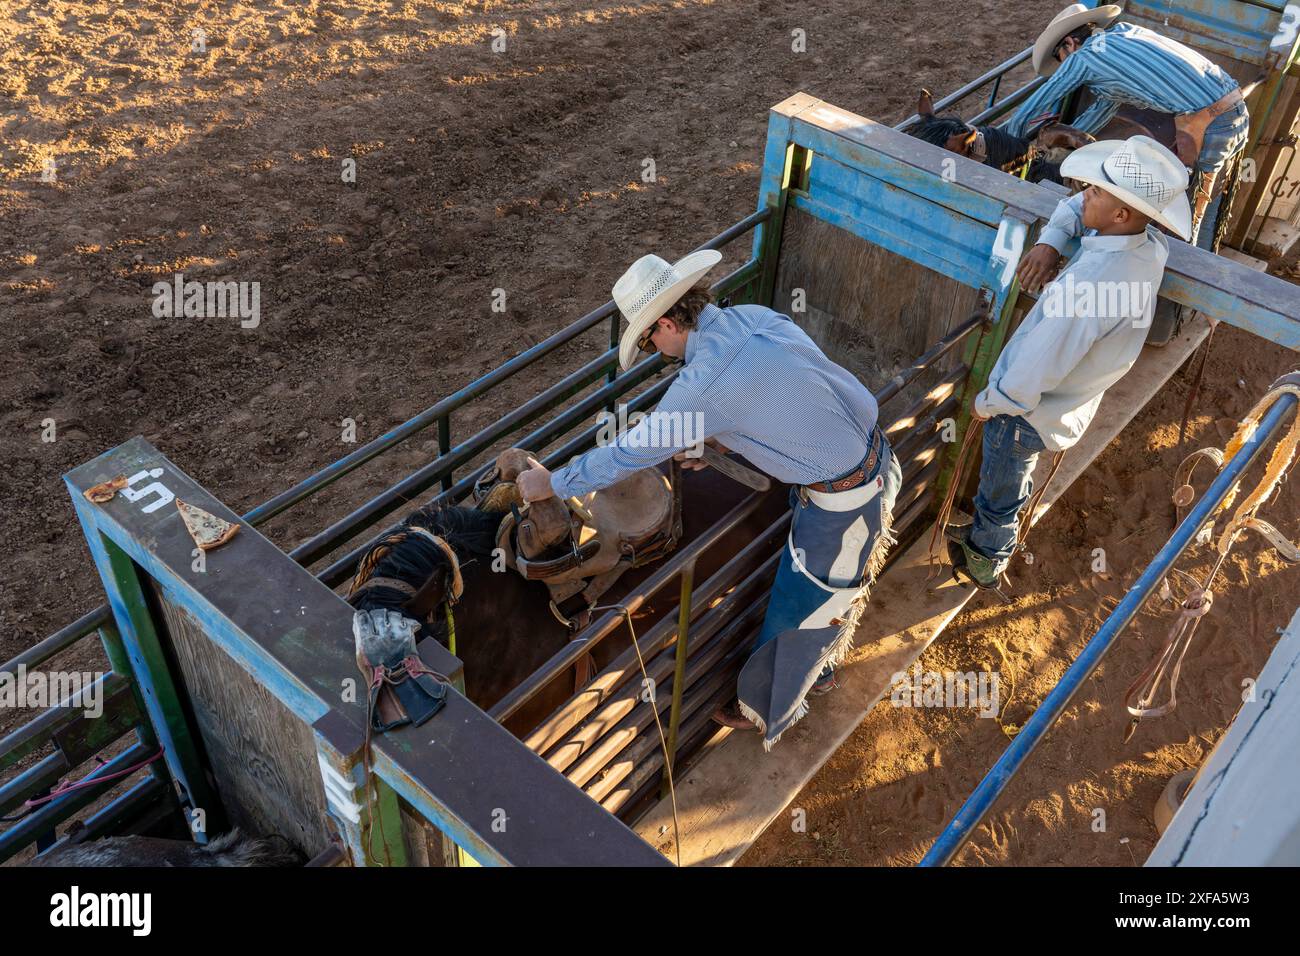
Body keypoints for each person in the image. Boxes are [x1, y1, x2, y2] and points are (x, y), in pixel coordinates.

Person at [515, 251, 901, 746]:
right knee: (829, 592)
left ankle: (779, 704)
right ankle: (814, 671)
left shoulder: (702, 385)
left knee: (802, 606)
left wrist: (553, 482)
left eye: (651, 338)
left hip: (845, 502)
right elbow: (791, 391)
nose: (655, 349)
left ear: (668, 323)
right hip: (874, 453)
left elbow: (629, 452)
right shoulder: (753, 317)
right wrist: (723, 437)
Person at [948, 136, 1188, 589]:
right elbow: (1075, 208)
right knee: (1010, 481)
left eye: (1096, 191)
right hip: (1065, 405)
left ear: (1120, 214)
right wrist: (1052, 242)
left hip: (1024, 411)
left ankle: (985, 560)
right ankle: (990, 541)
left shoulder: (1092, 287)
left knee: (999, 489)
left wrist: (991, 402)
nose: (1083, 194)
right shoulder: (1146, 248)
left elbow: (1040, 364)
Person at [1006, 4, 1249, 245]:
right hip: (1234, 110)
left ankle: (1185, 262)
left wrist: (1008, 150)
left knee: (1188, 211)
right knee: (1209, 198)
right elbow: (1097, 114)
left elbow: (1026, 114)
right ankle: (1202, 257)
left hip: (1208, 123)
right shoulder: (1124, 36)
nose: (1064, 67)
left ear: (1069, 44)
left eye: (1061, 60)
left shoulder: (1083, 57)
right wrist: (1065, 147)